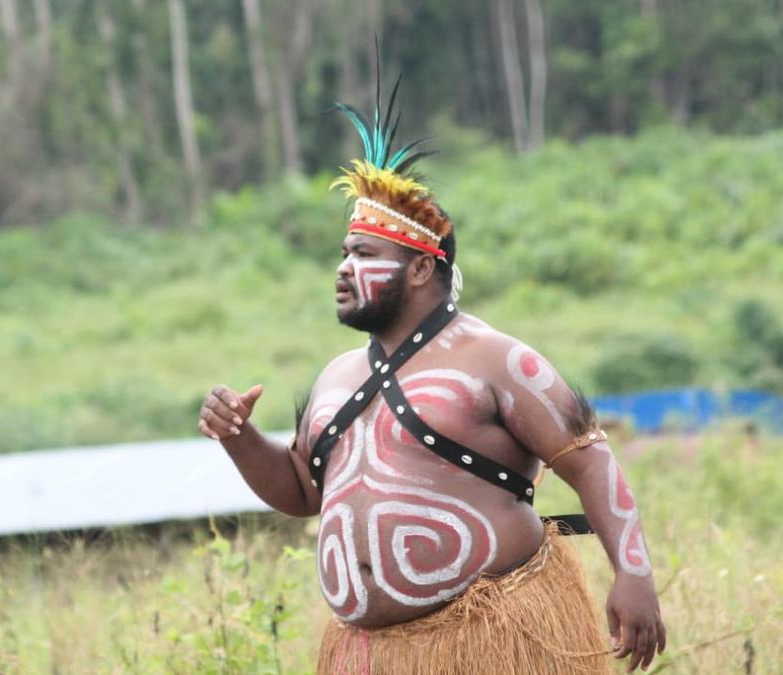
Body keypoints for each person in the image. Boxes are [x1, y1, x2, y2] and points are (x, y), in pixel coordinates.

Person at [199, 76, 666, 674]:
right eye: (343, 254)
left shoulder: (497, 360)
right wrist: (240, 438)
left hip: (492, 639)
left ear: (421, 269)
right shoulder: (335, 377)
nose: (343, 269)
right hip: (369, 652)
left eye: (364, 256)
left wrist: (634, 574)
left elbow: (590, 460)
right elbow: (301, 494)